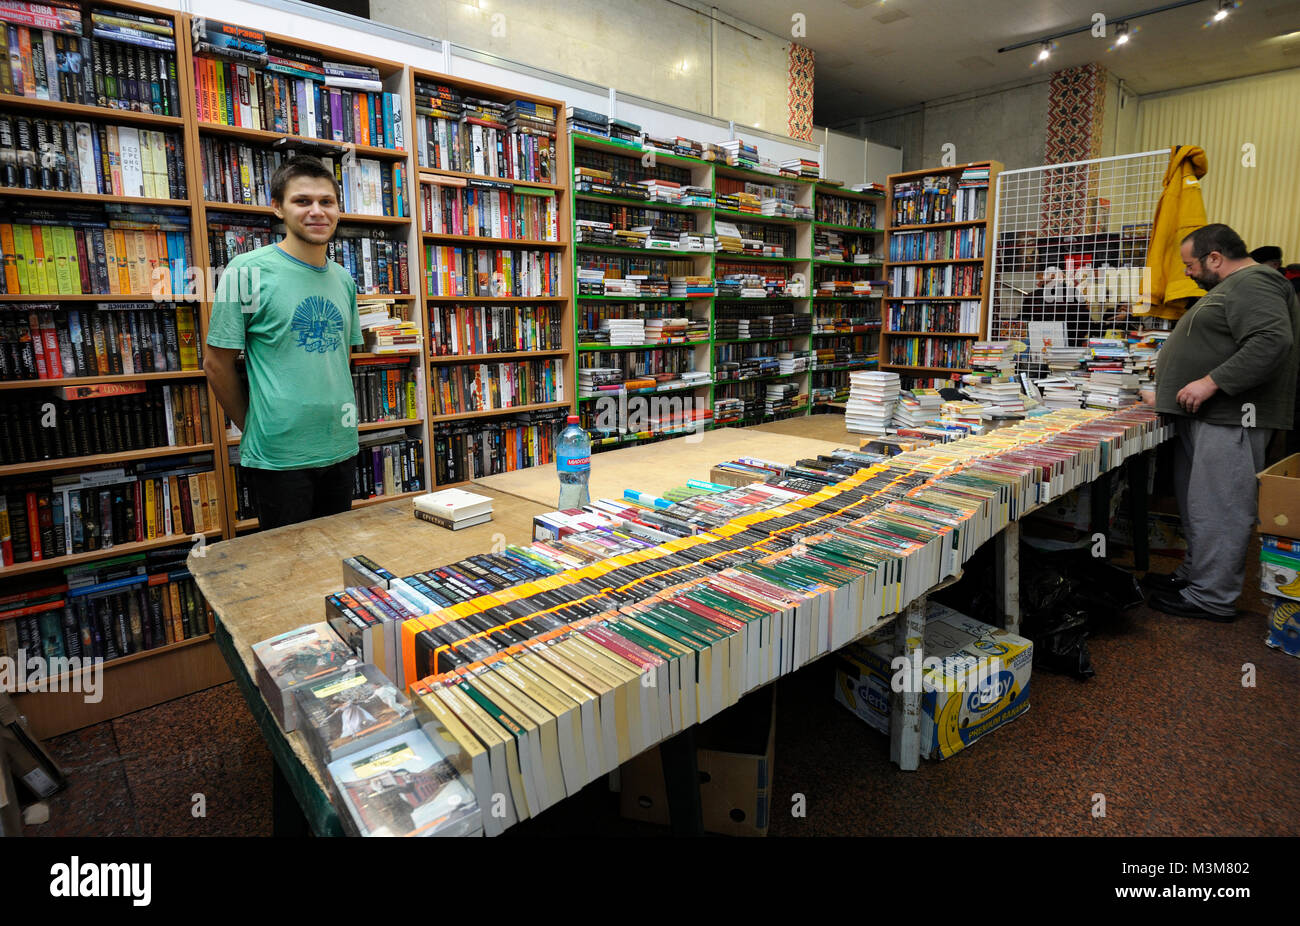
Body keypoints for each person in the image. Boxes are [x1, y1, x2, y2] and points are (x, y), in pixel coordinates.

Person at [1146, 224, 1300, 621]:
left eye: (1190, 264)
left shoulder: (1254, 282)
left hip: (1231, 418)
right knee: (1201, 504)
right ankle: (1195, 576)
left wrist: (1211, 382)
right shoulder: (1233, 288)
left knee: (1221, 506)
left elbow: (1270, 340)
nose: (1188, 273)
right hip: (1210, 416)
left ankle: (1212, 597)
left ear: (1215, 257)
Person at [204, 156, 363, 530]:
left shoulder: (343, 280)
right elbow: (216, 362)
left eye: (327, 202)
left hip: (340, 447)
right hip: (279, 457)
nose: (316, 211)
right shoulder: (246, 270)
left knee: (336, 564)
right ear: (277, 208)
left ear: (338, 209)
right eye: (302, 201)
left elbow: (342, 359)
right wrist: (256, 425)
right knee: (290, 574)